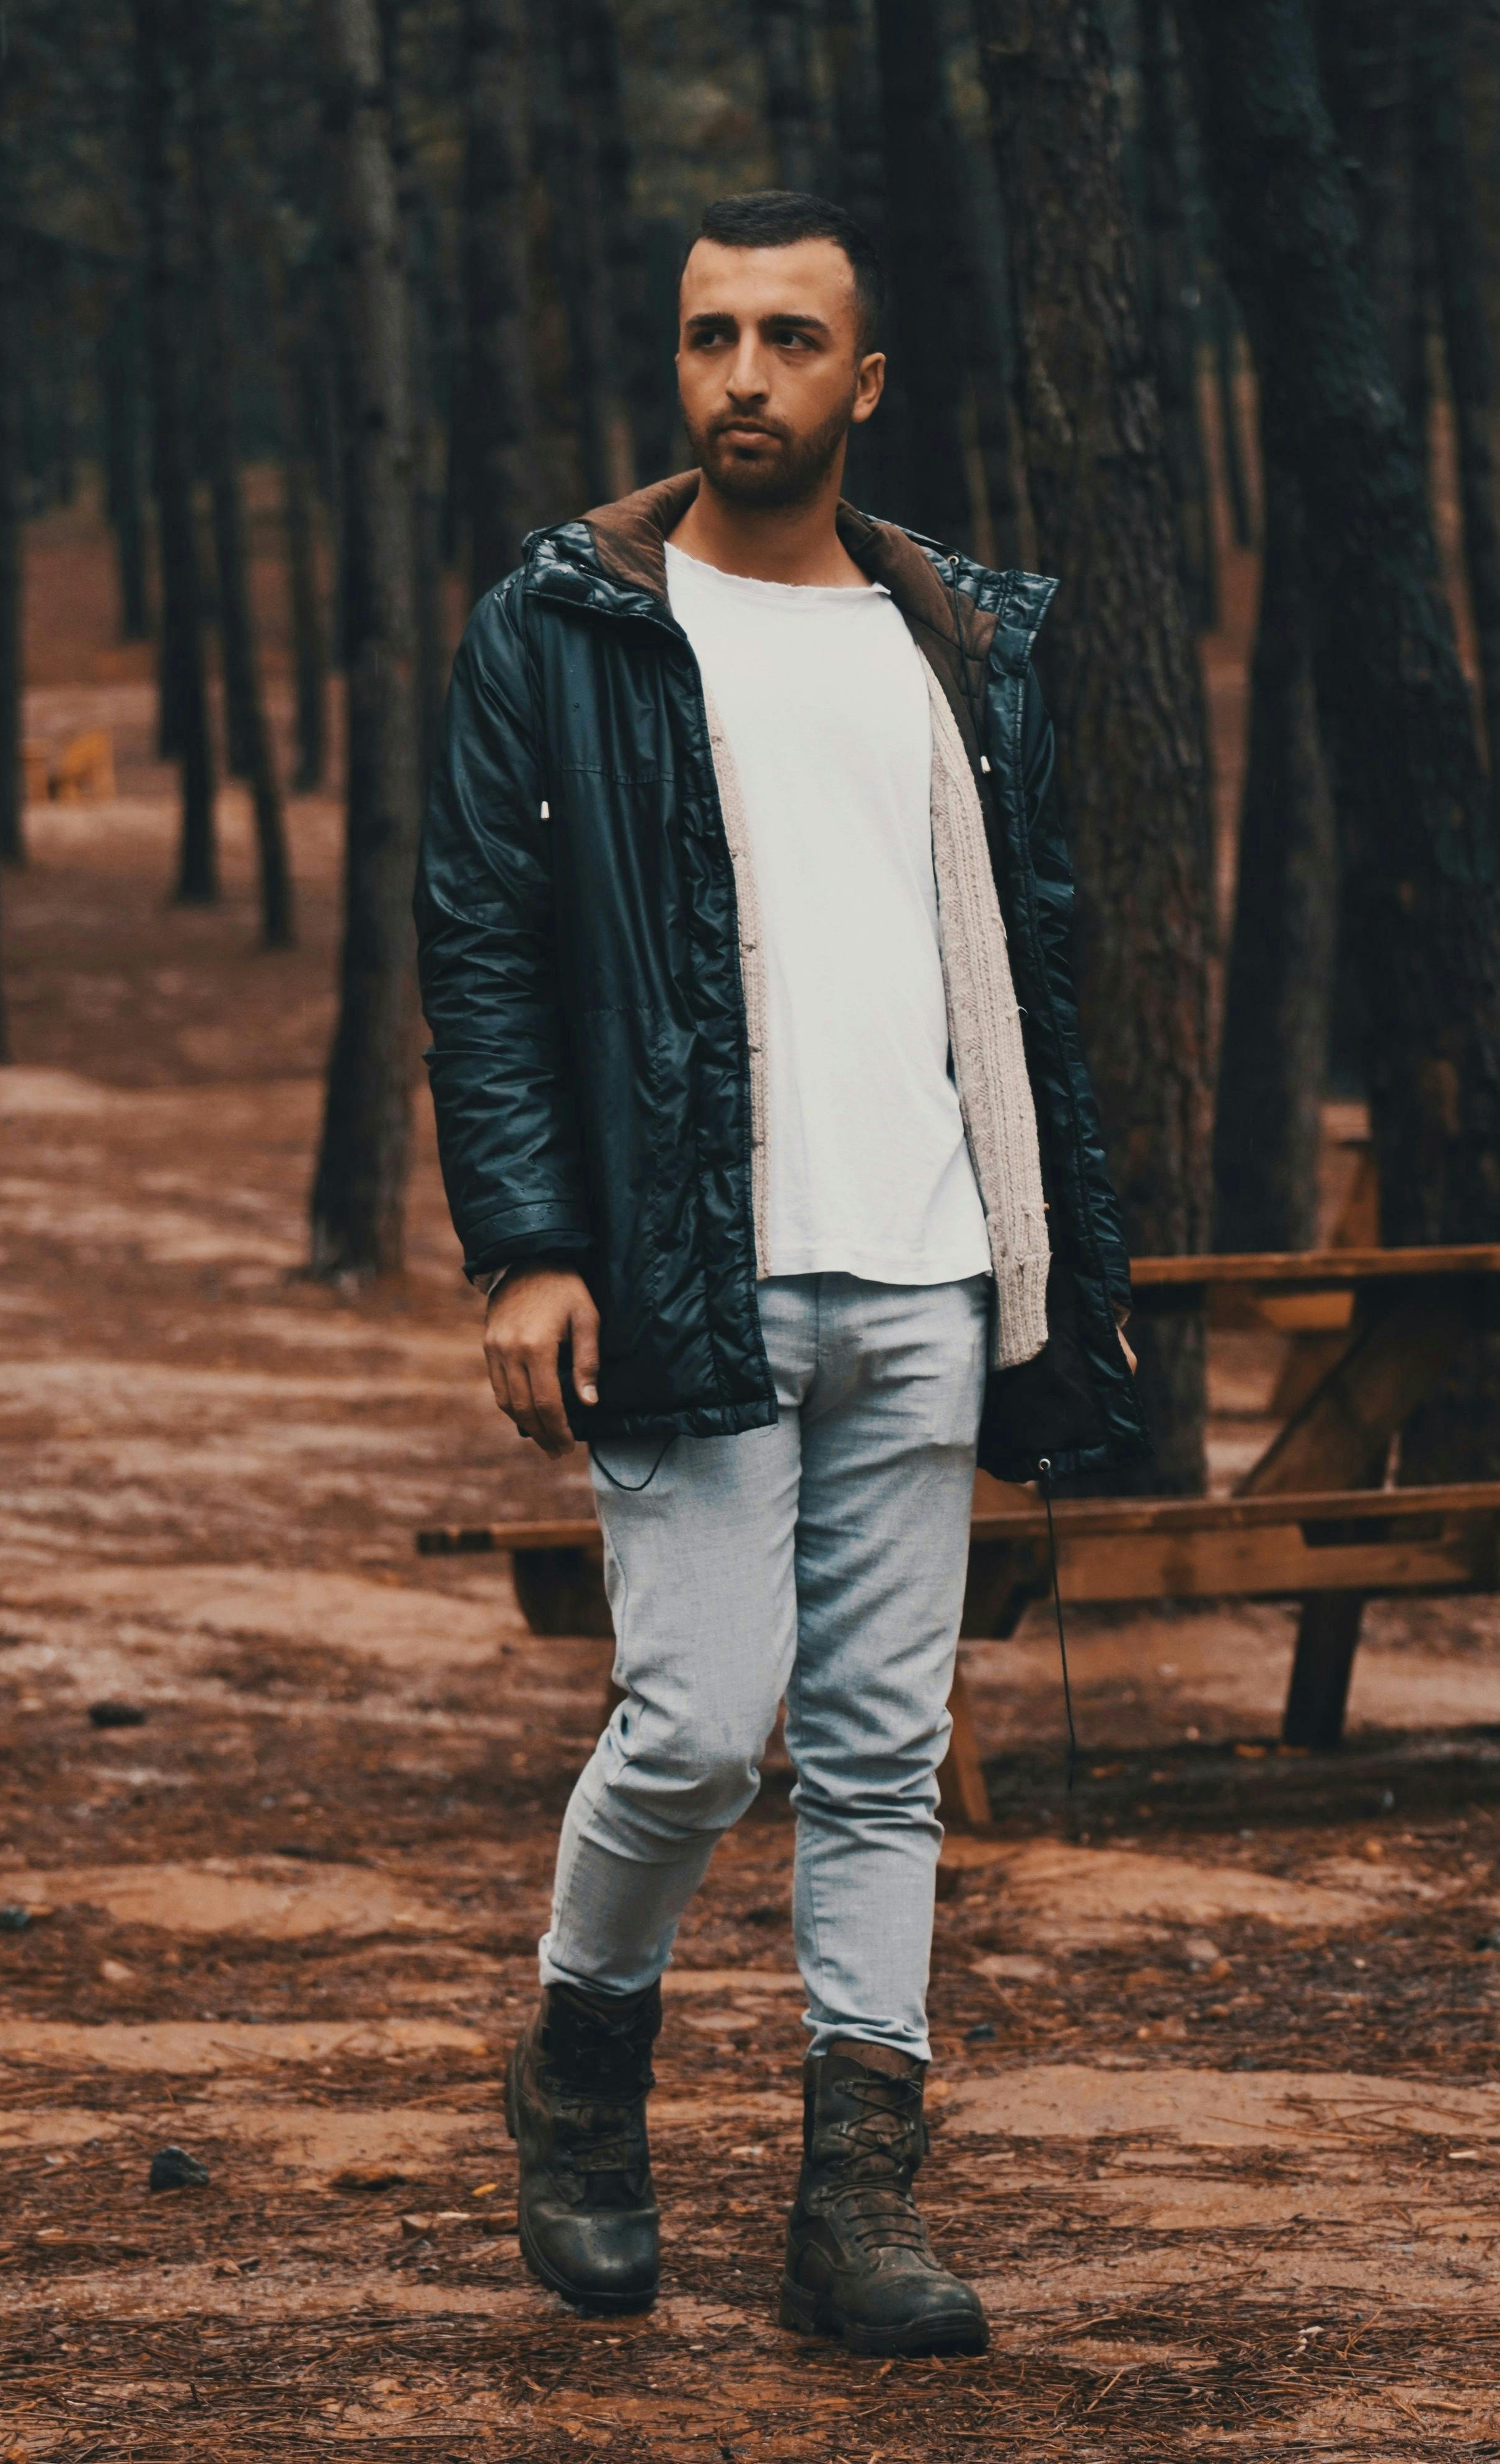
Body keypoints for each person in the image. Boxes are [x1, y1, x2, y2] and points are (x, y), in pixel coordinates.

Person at [416, 188, 1145, 2359]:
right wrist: (530, 1248)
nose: (745, 374)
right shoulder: (563, 625)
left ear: (864, 381)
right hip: (676, 1272)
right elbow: (480, 956)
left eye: (789, 339)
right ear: (679, 364)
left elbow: (1026, 969)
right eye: (712, 336)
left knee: (878, 1750)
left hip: (927, 1262)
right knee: (695, 1731)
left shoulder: (956, 637)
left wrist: (1049, 1260)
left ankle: (854, 2202)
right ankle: (583, 2079)